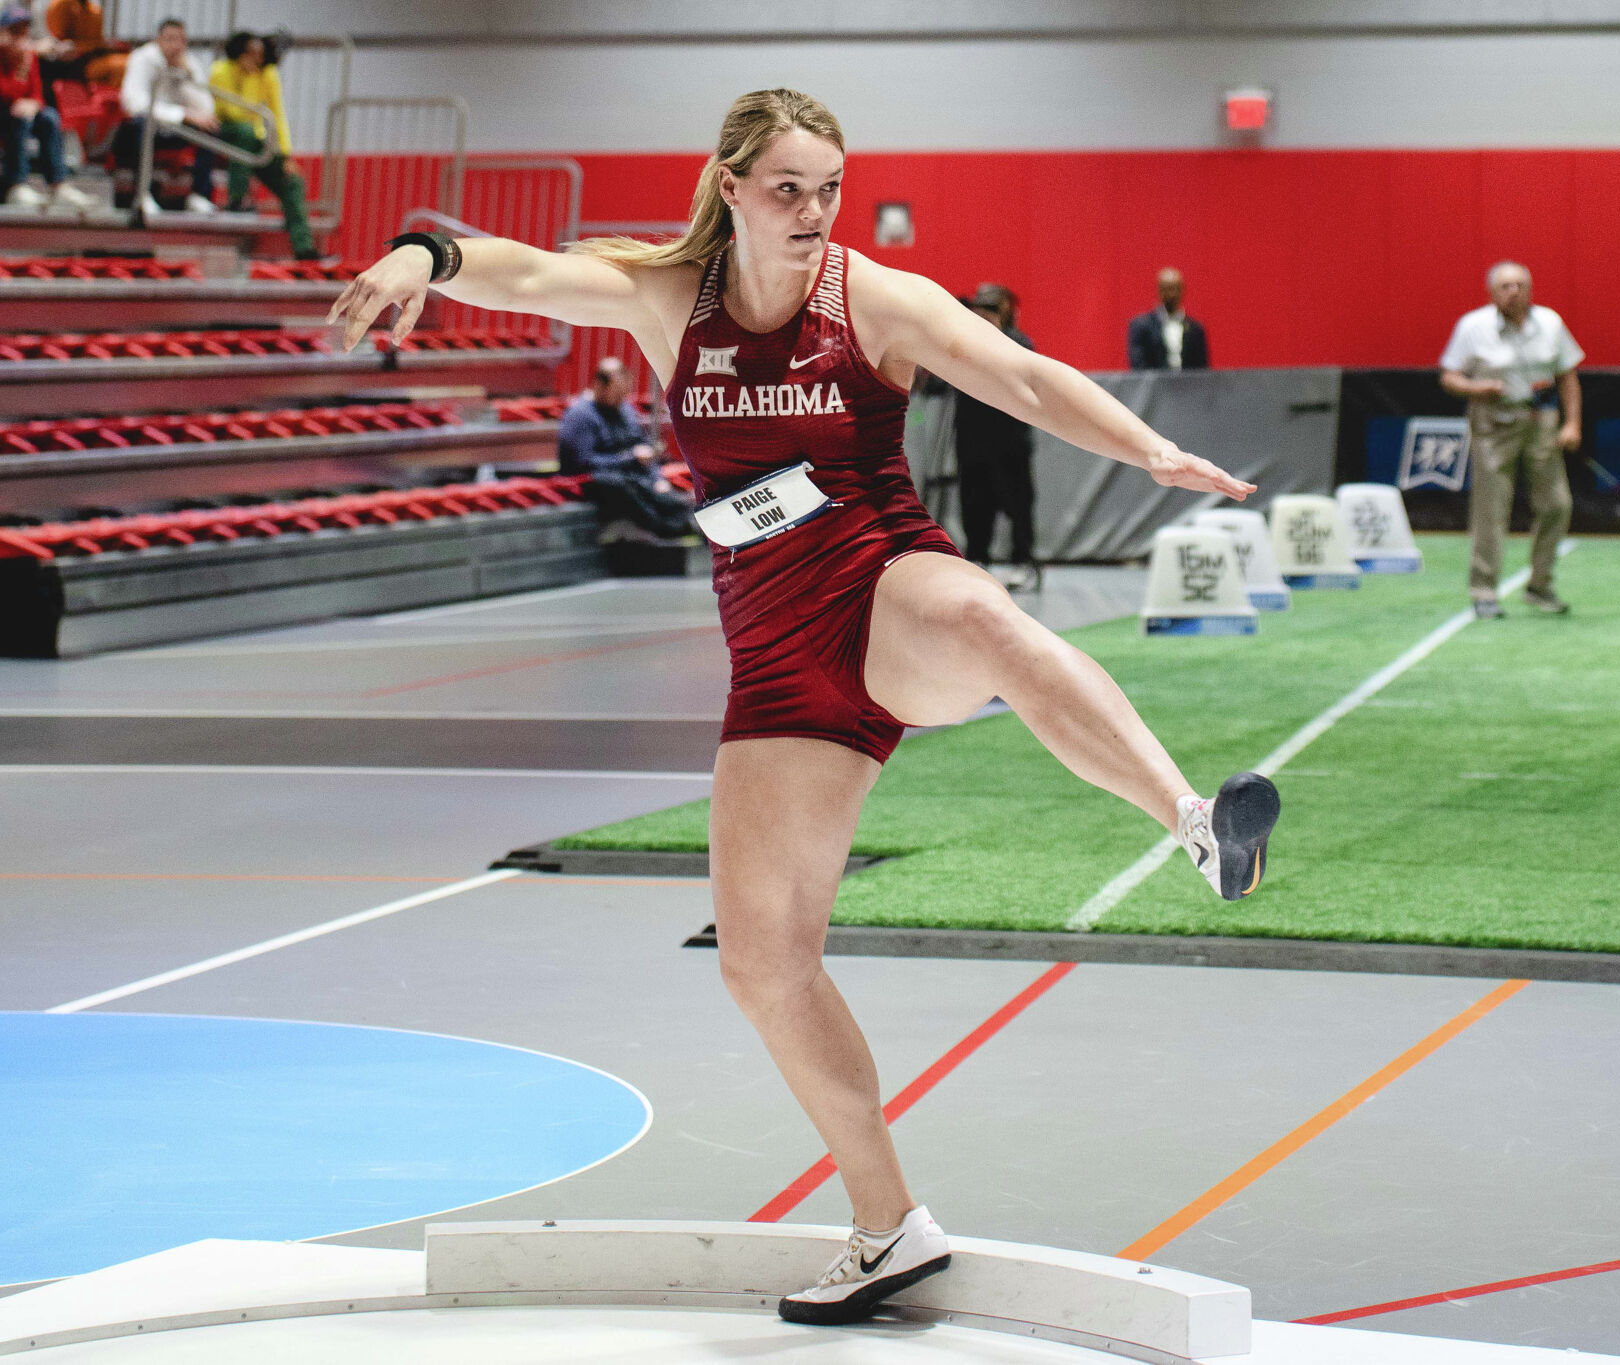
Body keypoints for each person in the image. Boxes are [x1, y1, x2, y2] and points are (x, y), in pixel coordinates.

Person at [330, 87, 1282, 1328]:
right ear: (730, 189)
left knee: (988, 620)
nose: (811, 210)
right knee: (761, 963)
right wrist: (423, 250)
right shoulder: (668, 296)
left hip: (883, 587)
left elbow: (1022, 376)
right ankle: (888, 1227)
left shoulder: (868, 297)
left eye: (827, 187)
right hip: (775, 664)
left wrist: (1145, 451)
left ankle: (1193, 822)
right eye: (787, 187)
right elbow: (518, 270)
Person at [1438, 260, 1583, 617]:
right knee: (1492, 510)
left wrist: (1572, 424)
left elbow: (1567, 376)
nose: (1514, 291)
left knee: (1557, 504)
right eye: (1505, 286)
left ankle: (1540, 585)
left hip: (1541, 420)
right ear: (1491, 292)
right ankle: (1484, 590)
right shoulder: (1473, 327)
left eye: (1520, 285)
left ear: (1531, 289)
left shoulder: (1550, 323)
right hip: (1493, 424)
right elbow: (1449, 376)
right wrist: (1476, 387)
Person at [932, 283, 1038, 589]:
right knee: (975, 505)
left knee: (1018, 506)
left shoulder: (1018, 343)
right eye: (979, 310)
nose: (982, 315)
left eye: (988, 310)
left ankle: (1023, 562)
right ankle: (978, 558)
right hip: (972, 444)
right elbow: (939, 382)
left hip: (1010, 444)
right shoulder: (962, 345)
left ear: (1001, 312)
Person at [557, 355, 695, 541]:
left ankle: (686, 523)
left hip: (629, 474)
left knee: (658, 490)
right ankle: (668, 529)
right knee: (618, 485)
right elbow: (582, 463)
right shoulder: (580, 415)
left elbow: (643, 447)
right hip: (595, 479)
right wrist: (630, 458)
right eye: (617, 393)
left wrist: (657, 478)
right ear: (599, 385)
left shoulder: (625, 410)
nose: (621, 399)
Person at [209, 30, 318, 257]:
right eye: (252, 54)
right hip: (222, 133)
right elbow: (232, 112)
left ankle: (304, 249)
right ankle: (237, 199)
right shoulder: (220, 70)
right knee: (246, 132)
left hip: (252, 142)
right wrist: (249, 78)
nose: (258, 60)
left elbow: (277, 115)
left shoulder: (267, 74)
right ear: (240, 53)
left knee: (292, 180)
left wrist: (285, 155)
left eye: (261, 55)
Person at [114, 16, 217, 213]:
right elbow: (134, 104)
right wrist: (181, 115)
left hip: (172, 129)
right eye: (170, 39)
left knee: (210, 126)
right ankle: (143, 194)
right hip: (138, 132)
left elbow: (206, 109)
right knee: (141, 125)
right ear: (158, 40)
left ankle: (199, 195)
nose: (176, 45)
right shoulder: (143, 58)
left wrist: (185, 77)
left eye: (181, 40)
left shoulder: (189, 63)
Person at [0, 3, 90, 208]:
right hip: (6, 113)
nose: (20, 37)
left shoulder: (28, 57)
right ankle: (16, 185)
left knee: (48, 117)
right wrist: (21, 95)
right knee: (19, 117)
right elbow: (4, 92)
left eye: (24, 32)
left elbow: (38, 95)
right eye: (14, 32)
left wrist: (31, 103)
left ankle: (58, 185)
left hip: (19, 113)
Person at [1126, 266, 1210, 370]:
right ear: (1158, 291)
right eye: (1167, 289)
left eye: (1176, 288)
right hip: (1153, 385)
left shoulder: (1195, 329)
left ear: (1183, 290)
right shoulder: (1141, 327)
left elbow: (1202, 370)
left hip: (1188, 385)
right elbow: (1138, 367)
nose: (1172, 294)